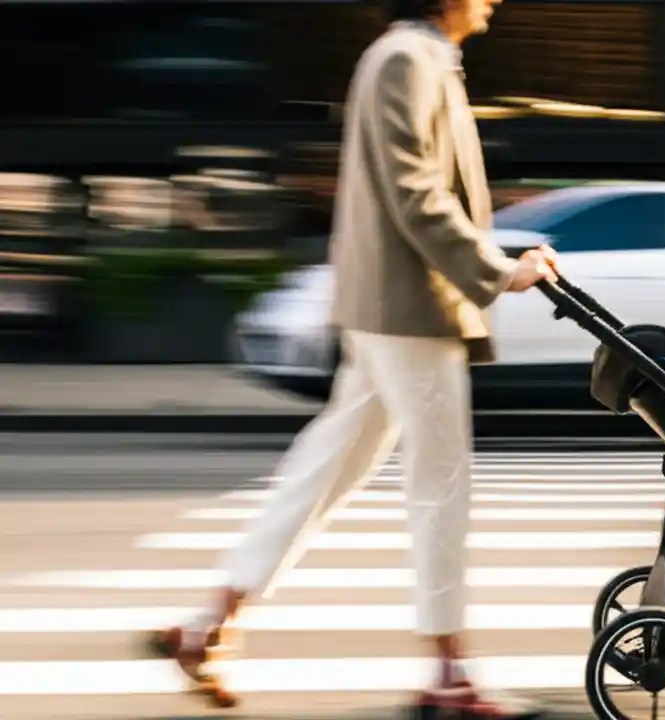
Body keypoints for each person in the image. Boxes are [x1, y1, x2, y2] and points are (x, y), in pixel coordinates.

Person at [146, 0, 556, 717]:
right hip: (409, 310)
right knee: (440, 484)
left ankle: (207, 625)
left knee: (324, 469)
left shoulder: (413, 59)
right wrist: (496, 269)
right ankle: (450, 675)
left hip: (387, 309)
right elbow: (415, 194)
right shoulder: (406, 60)